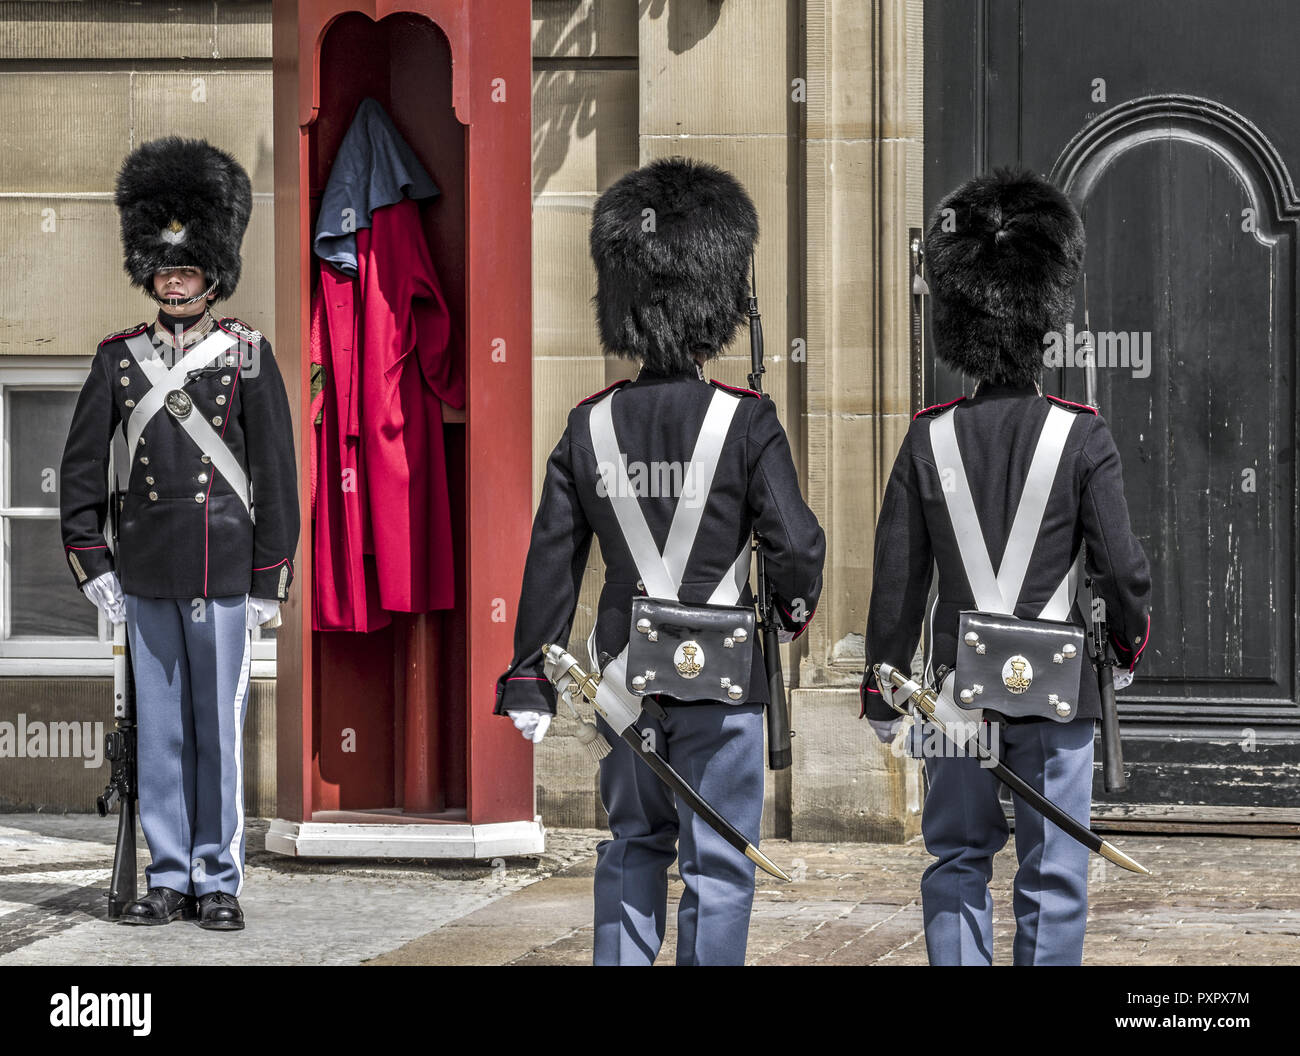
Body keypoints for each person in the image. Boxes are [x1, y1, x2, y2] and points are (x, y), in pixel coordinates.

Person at [495, 156, 825, 965]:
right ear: (714, 306)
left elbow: (552, 561)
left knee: (632, 847)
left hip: (623, 679)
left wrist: (530, 674)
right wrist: (788, 610)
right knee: (717, 861)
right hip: (723, 677)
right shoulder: (747, 422)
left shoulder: (589, 425)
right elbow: (797, 545)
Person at [859, 168, 1152, 965]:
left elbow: (897, 583)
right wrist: (1124, 651)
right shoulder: (1083, 436)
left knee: (956, 858)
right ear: (1042, 321)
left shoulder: (929, 437)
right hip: (1057, 691)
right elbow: (1123, 572)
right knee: (1055, 868)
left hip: (956, 690)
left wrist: (882, 686)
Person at [60, 136, 299, 930]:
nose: (174, 275)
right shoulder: (117, 361)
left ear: (212, 273)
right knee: (160, 738)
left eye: (187, 265)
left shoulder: (249, 359)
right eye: (163, 266)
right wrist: (92, 560)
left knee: (216, 740)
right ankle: (167, 875)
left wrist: (270, 577)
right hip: (149, 573)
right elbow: (83, 471)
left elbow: (276, 476)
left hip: (225, 570)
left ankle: (217, 877)